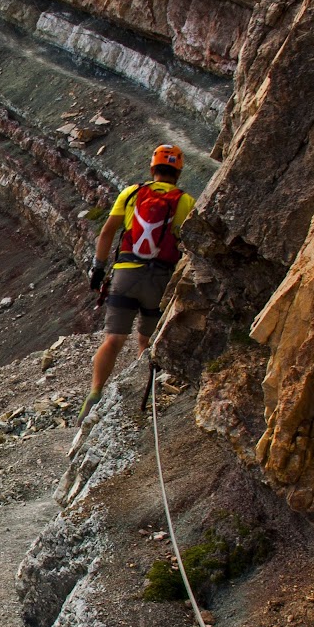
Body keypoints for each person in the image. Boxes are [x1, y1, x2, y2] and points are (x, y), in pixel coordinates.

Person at [78, 144, 195, 422]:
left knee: (114, 339)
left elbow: (107, 232)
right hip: (159, 277)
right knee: (147, 339)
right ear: (178, 172)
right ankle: (145, 397)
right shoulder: (185, 201)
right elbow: (189, 244)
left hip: (126, 273)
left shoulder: (131, 193)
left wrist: (97, 267)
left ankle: (95, 392)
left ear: (152, 169)